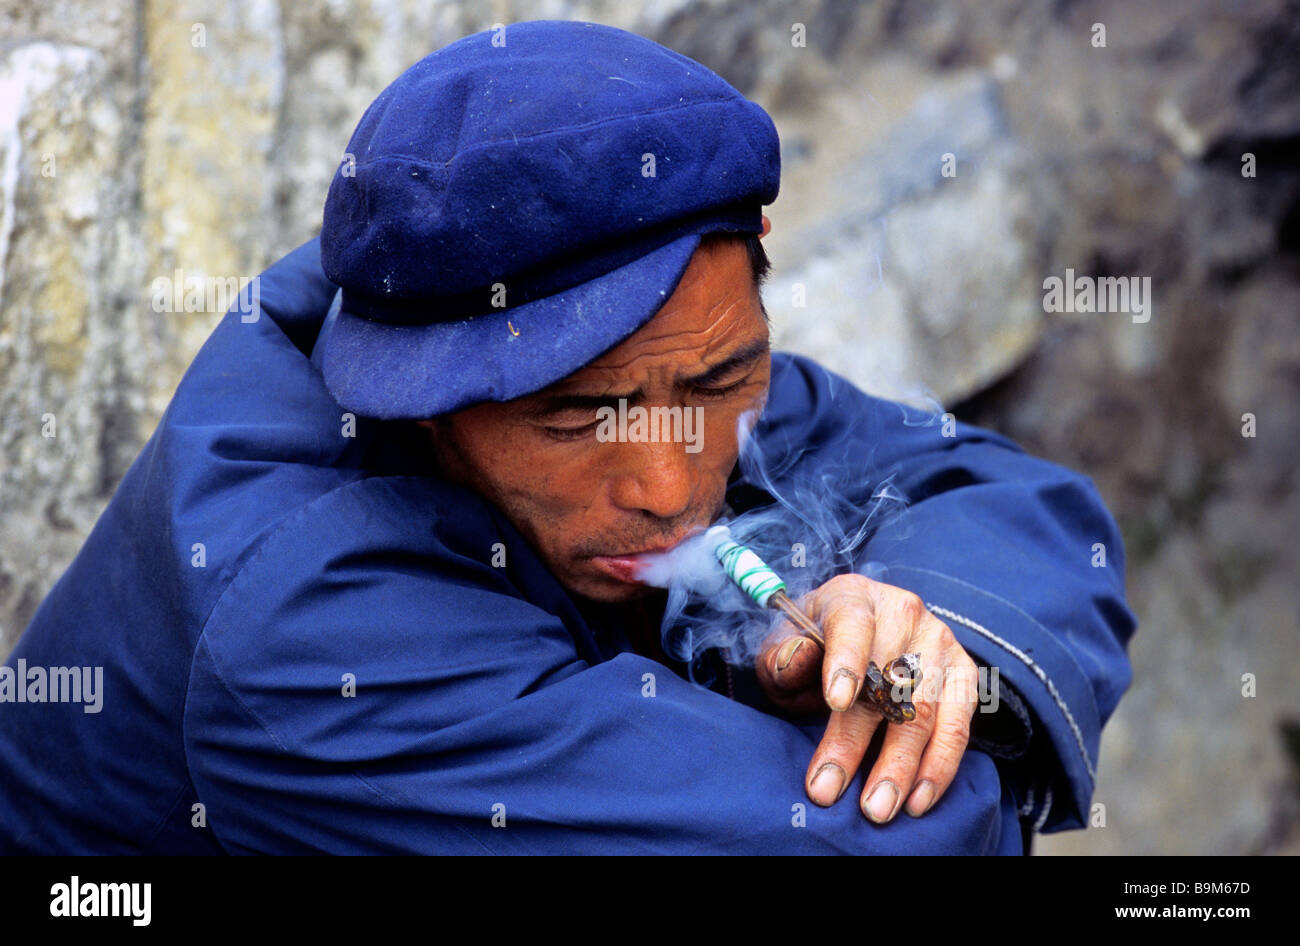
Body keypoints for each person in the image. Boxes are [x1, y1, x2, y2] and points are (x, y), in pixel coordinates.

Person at [0, 20, 1135, 854]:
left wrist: (935, 644)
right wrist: (933, 731)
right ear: (419, 395)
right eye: (578, 418)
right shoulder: (304, 632)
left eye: (724, 373)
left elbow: (1008, 500)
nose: (669, 480)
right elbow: (875, 846)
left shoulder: (620, 338)